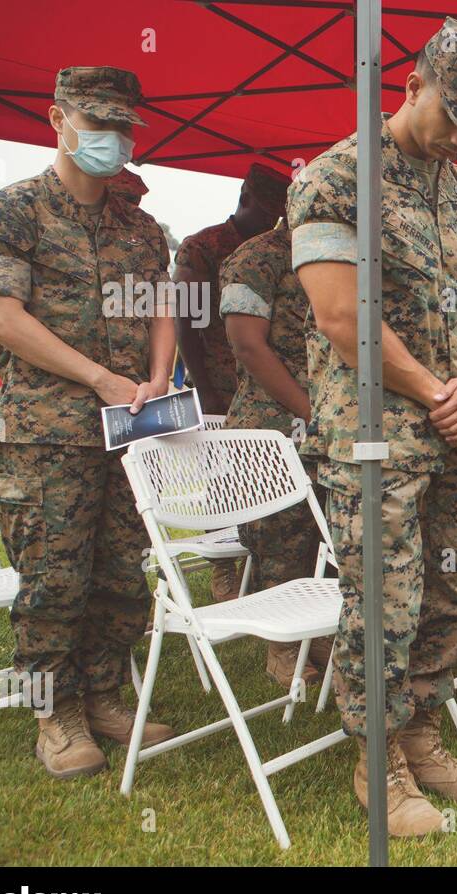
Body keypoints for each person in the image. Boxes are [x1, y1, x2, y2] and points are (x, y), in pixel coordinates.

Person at [288, 17, 457, 836]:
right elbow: (341, 313)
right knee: (386, 599)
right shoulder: (334, 177)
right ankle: (377, 762)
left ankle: (423, 732)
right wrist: (436, 390)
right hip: (380, 431)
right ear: (411, 85)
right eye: (451, 115)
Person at [0, 66, 175, 778]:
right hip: (48, 437)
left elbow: (161, 308)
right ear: (58, 119)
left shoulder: (141, 228)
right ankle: (55, 714)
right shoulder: (13, 211)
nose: (111, 139)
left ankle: (106, 695)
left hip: (129, 431)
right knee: (53, 583)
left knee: (121, 574)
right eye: (97, 123)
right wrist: (99, 377)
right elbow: (1, 318)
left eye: (121, 127)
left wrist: (156, 374)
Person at [219, 212, 334, 690]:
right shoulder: (254, 257)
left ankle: (322, 633)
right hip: (271, 422)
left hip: (328, 419)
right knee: (281, 539)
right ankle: (283, 650)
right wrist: (309, 410)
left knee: (327, 533)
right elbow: (247, 345)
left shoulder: (335, 255)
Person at [175, 162, 287, 603]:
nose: (271, 218)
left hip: (261, 385)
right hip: (218, 381)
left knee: (265, 480)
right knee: (222, 479)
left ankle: (263, 569)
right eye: (265, 209)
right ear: (244, 198)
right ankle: (224, 568)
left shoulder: (277, 248)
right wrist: (200, 385)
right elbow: (186, 319)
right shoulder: (203, 248)